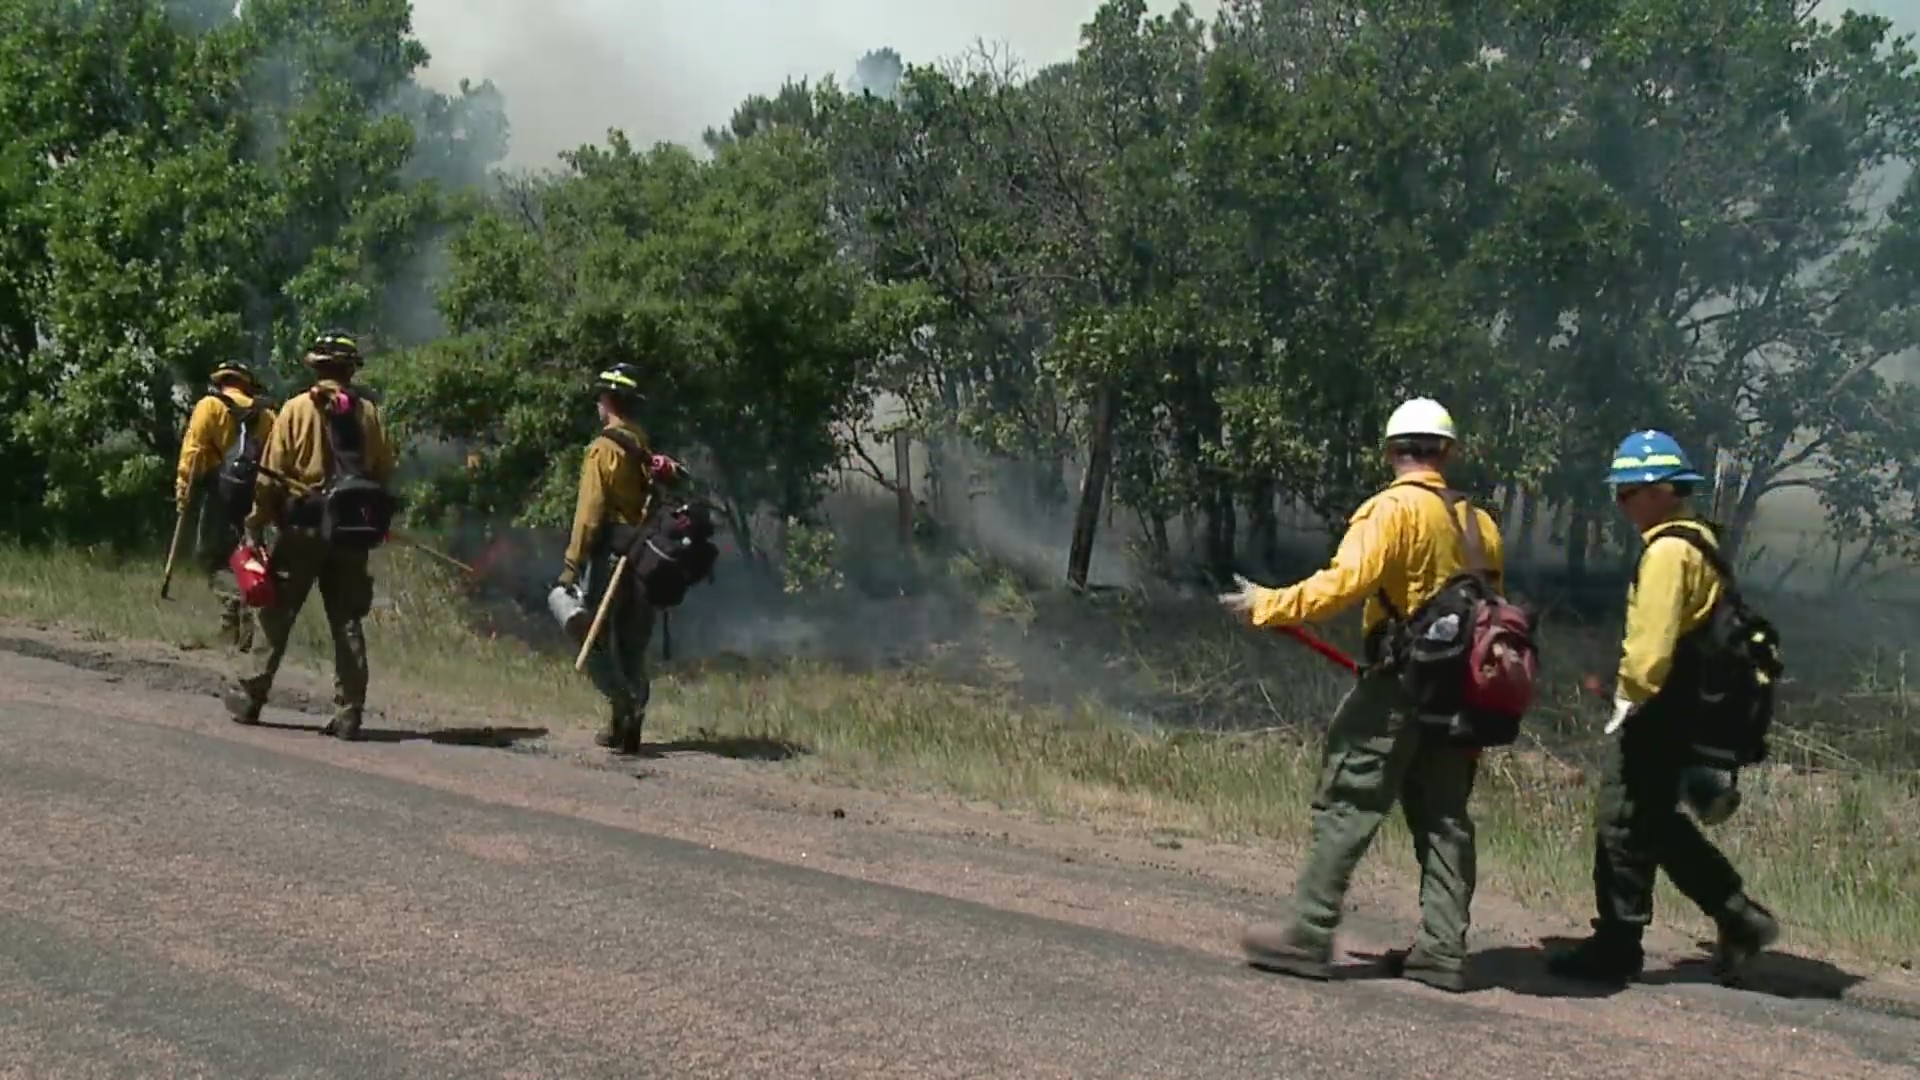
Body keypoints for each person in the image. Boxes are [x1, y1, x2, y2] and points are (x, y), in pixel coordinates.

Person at [1218, 397, 1505, 993]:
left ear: (1391, 451)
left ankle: (1307, 934)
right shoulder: (1481, 525)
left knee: (1348, 799)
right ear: (1447, 452)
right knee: (1445, 818)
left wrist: (1267, 605)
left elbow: (1343, 583)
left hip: (1399, 687)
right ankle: (1442, 950)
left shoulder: (1390, 511)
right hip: (1462, 694)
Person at [1546, 430, 1779, 985]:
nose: (1621, 504)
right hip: (1687, 710)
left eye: (1628, 492)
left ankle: (1617, 948)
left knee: (1621, 822)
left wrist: (1626, 697)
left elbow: (1649, 652)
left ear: (1659, 490)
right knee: (1653, 821)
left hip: (1660, 711)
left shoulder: (1668, 551)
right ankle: (1737, 915)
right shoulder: (1700, 540)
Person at [222, 330, 396, 741]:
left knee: (274, 616)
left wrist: (254, 524)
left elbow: (270, 475)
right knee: (348, 621)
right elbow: (384, 471)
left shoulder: (296, 410)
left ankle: (250, 696)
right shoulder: (370, 414)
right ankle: (350, 712)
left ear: (316, 366)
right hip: (351, 533)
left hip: (301, 530)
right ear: (350, 370)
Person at [554, 362, 659, 755]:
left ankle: (624, 703)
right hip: (643, 558)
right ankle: (625, 726)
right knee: (631, 646)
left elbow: (589, 513)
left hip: (612, 558)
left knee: (591, 636)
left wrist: (571, 564)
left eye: (601, 397)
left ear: (609, 401)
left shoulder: (603, 449)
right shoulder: (643, 446)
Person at [175, 362, 276, 650]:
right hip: (252, 497)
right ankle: (238, 627)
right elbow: (276, 460)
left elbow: (191, 455)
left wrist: (184, 495)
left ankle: (235, 613)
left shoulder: (209, 406)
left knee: (210, 556)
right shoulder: (267, 415)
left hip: (218, 494)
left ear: (223, 383)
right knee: (245, 554)